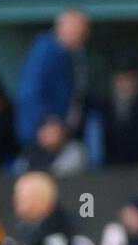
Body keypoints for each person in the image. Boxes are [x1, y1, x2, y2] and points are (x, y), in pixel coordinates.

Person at [15, 9, 90, 147]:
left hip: (62, 132)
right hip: (44, 135)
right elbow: (31, 91)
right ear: (62, 28)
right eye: (79, 30)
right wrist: (47, 122)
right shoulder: (45, 52)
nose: (83, 35)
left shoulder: (73, 55)